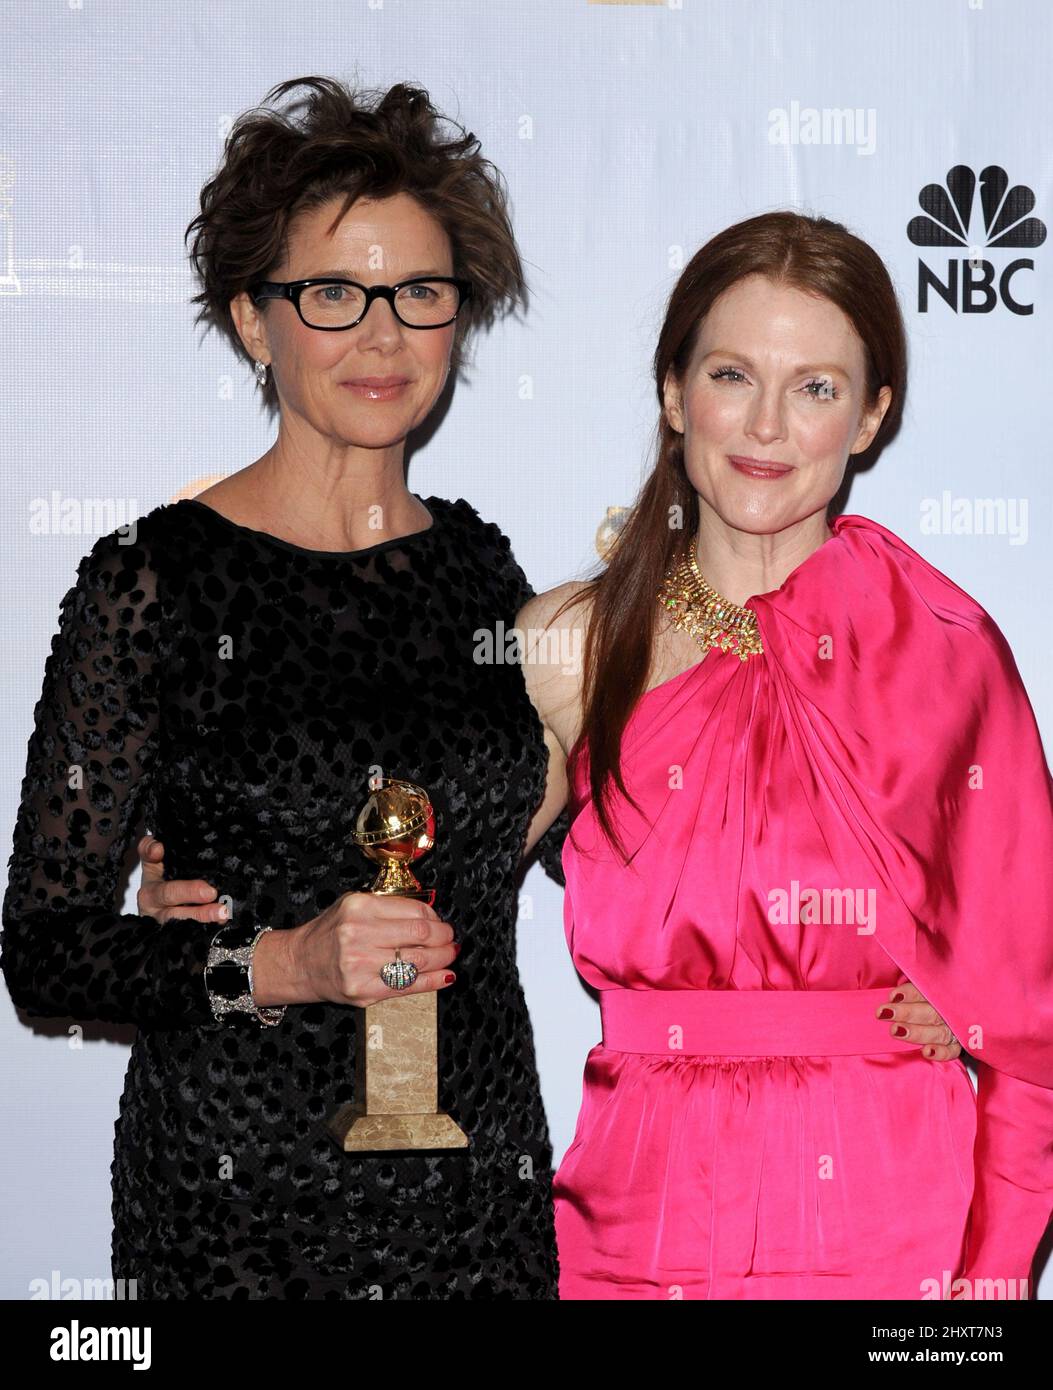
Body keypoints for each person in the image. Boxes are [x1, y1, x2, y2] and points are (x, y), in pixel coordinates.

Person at [0, 75, 570, 1299]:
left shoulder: (483, 570)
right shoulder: (155, 582)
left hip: (475, 1201)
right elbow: (45, 951)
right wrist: (281, 961)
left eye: (419, 293)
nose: (381, 334)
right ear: (255, 322)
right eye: (332, 293)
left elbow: (547, 838)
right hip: (238, 1207)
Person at [517, 211, 1053, 1299]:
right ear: (675, 394)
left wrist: (990, 1286)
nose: (767, 424)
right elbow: (431, 892)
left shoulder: (947, 652)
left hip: (895, 1216)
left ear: (870, 418)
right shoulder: (567, 643)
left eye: (816, 387)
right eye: (731, 375)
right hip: (636, 1213)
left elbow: (1032, 1033)